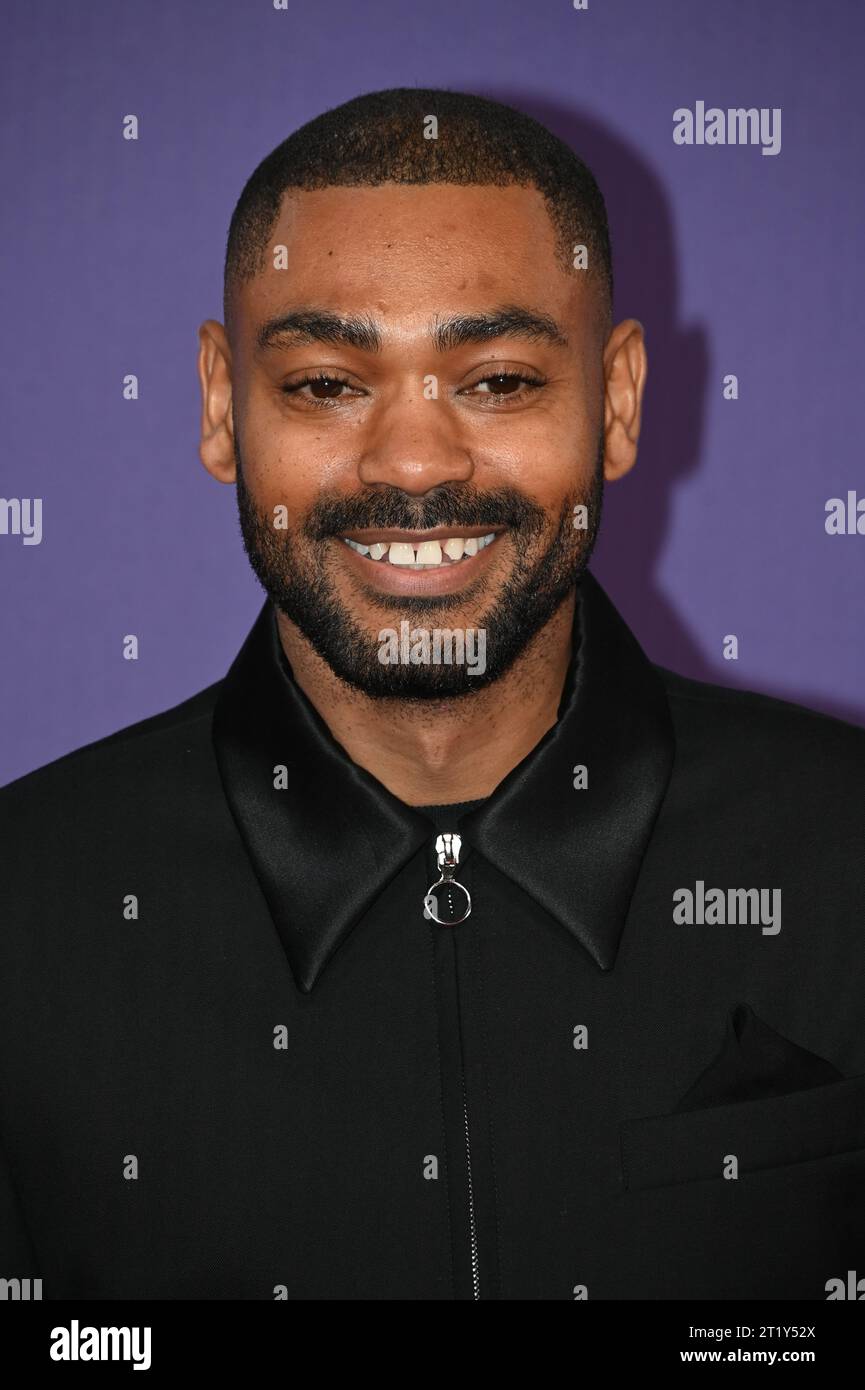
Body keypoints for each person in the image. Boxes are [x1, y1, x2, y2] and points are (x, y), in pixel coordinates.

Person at [2, 87, 864, 1302]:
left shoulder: (844, 853)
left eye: (499, 380)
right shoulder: (26, 909)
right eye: (324, 385)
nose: (414, 462)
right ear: (217, 403)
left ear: (615, 403)